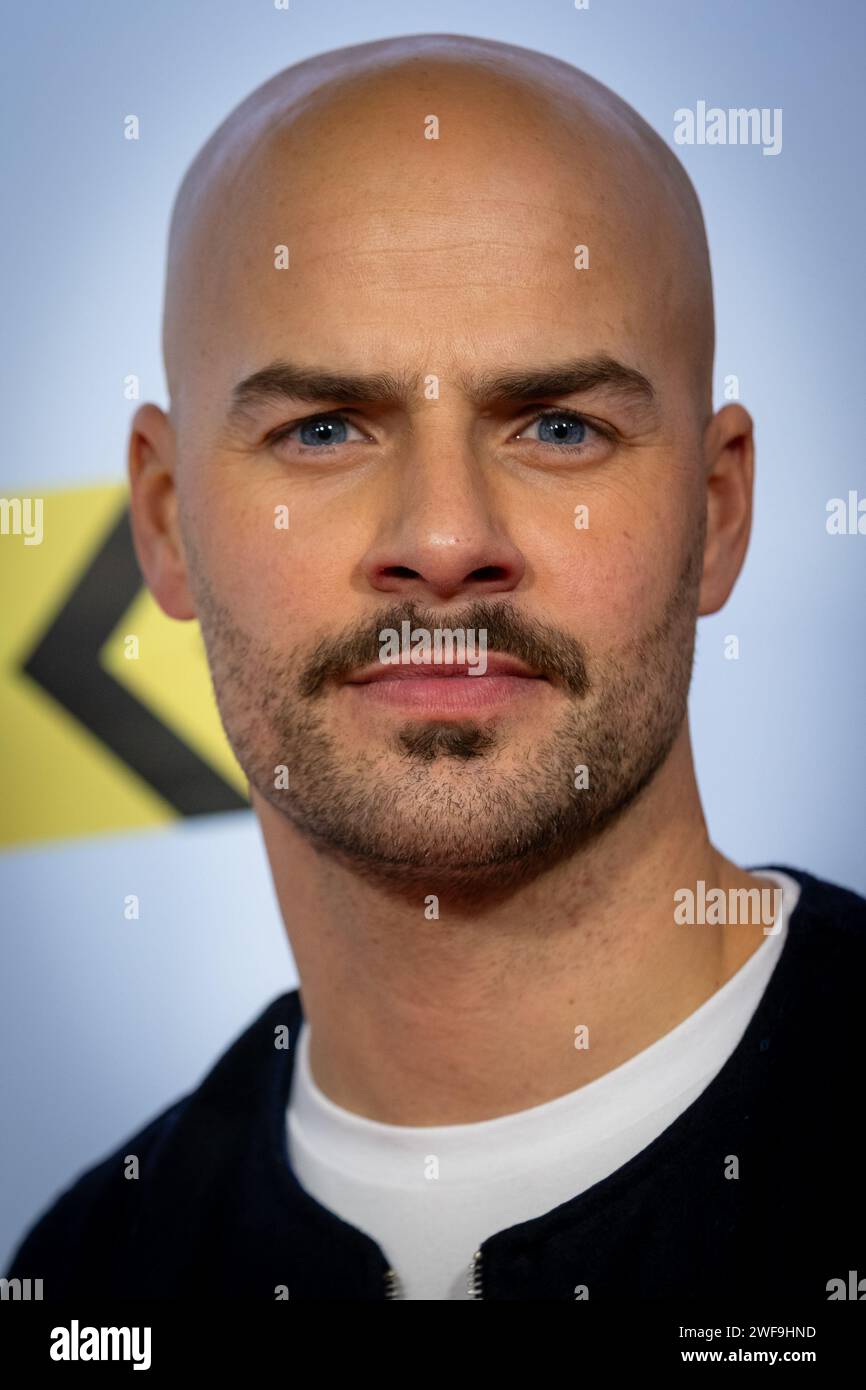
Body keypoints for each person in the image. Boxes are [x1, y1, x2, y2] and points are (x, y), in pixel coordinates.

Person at [7, 33, 864, 1301]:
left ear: (715, 511)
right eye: (325, 430)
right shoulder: (88, 1280)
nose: (445, 540)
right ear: (165, 522)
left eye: (558, 426)